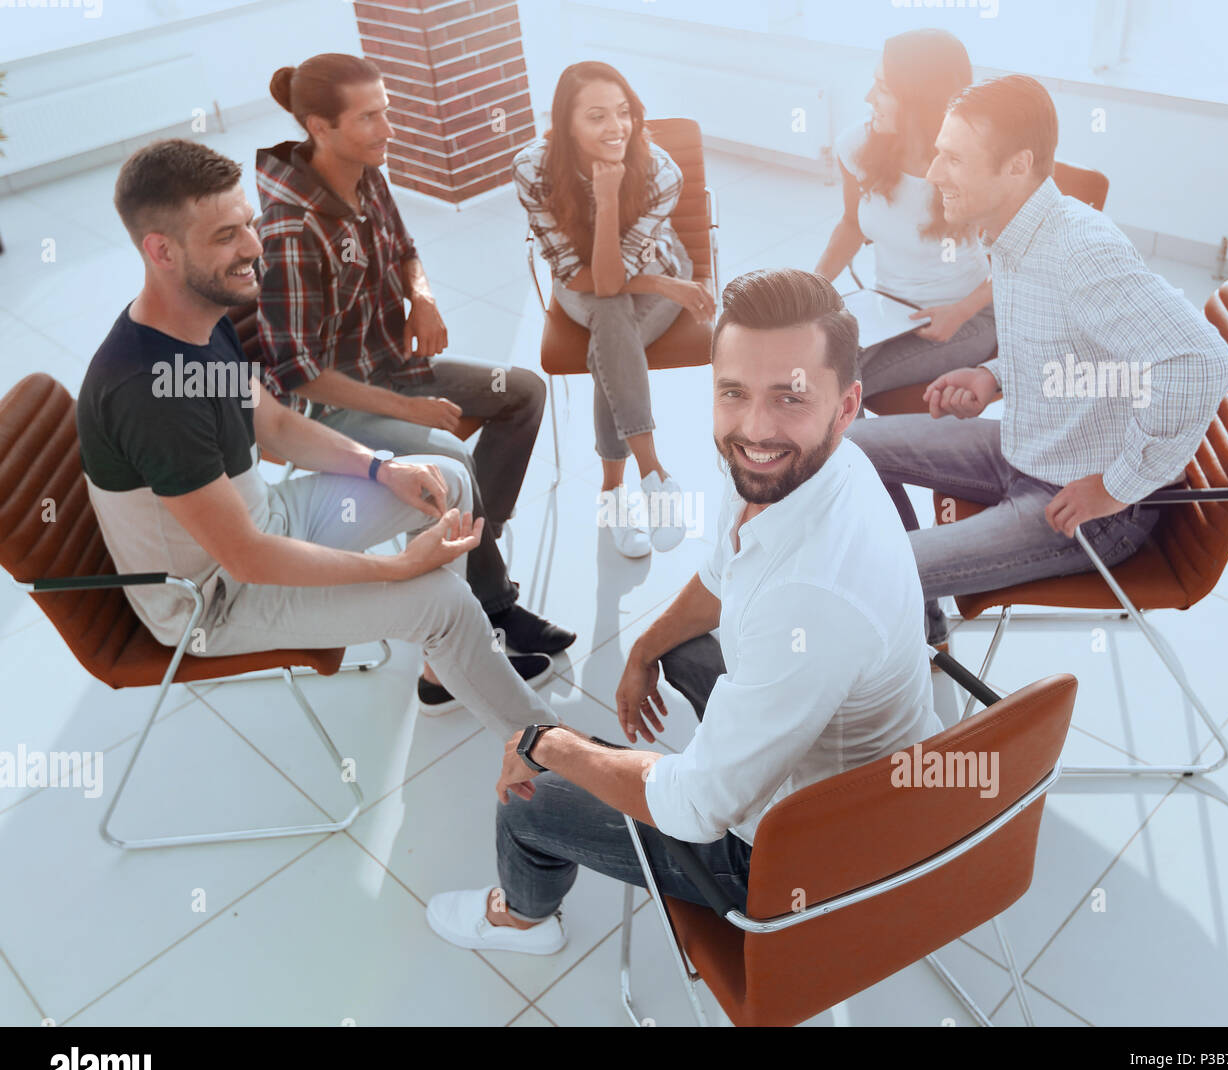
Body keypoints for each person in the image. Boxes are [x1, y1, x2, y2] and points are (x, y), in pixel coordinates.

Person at [424, 269, 942, 954]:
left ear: (846, 405)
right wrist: (641, 651)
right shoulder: (795, 469)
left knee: (531, 798)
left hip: (801, 854)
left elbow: (696, 809)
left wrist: (544, 742)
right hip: (838, 747)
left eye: (790, 396)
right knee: (674, 646)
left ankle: (522, 917)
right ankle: (716, 738)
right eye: (734, 392)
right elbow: (720, 575)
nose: (755, 426)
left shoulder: (813, 599)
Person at [78, 138, 558, 732]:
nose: (255, 247)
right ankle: (569, 764)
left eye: (249, 224)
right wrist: (398, 570)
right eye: (227, 235)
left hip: (265, 519)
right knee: (443, 602)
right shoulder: (150, 391)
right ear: (161, 251)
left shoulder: (198, 320)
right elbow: (246, 559)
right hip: (215, 598)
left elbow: (276, 423)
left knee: (446, 481)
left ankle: (443, 676)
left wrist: (383, 469)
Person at [847, 75, 1228, 649]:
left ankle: (897, 626)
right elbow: (1072, 346)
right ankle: (924, 633)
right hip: (1026, 446)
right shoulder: (1011, 233)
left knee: (866, 573)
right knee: (844, 445)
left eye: (953, 158)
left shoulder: (1081, 250)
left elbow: (1200, 363)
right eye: (937, 153)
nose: (932, 173)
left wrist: (1116, 485)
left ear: (1017, 165)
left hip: (1088, 510)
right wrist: (993, 376)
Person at [256, 53, 575, 681]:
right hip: (333, 405)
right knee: (449, 458)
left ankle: (474, 538)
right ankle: (491, 599)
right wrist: (408, 410)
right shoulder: (290, 231)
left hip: (391, 362)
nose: (387, 129)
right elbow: (298, 372)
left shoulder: (363, 171)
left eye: (387, 111)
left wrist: (422, 295)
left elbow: (405, 249)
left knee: (524, 392)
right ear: (321, 127)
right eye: (369, 117)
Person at [513, 60, 716, 558]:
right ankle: (655, 475)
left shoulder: (660, 172)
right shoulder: (532, 168)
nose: (616, 128)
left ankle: (614, 493)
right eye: (597, 116)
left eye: (623, 112)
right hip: (587, 284)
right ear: (565, 123)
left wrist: (661, 279)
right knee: (609, 314)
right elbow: (595, 282)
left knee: (610, 330)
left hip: (651, 272)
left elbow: (615, 284)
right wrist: (606, 202)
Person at [814, 28, 995, 405]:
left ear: (919, 99)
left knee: (833, 386)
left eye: (882, 87)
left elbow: (1022, 261)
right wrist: (810, 290)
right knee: (803, 364)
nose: (868, 98)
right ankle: (836, 464)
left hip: (964, 316)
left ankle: (850, 464)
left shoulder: (979, 164)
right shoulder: (857, 146)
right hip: (885, 309)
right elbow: (851, 225)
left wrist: (960, 312)